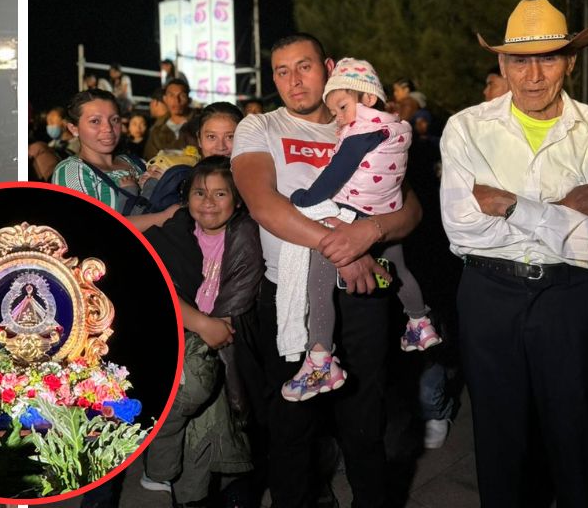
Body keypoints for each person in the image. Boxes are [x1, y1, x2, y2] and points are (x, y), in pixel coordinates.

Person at [439, 0, 588, 507]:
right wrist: (566, 207)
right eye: (520, 60)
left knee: (578, 442)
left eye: (548, 58)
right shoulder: (466, 128)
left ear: (570, 62)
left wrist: (509, 205)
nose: (534, 75)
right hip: (488, 295)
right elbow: (462, 229)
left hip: (573, 297)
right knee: (500, 444)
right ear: (502, 64)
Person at [231, 33, 421, 507]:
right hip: (290, 296)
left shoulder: (366, 123)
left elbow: (410, 210)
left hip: (362, 295)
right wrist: (346, 248)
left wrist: (368, 235)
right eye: (281, 71)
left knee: (365, 422)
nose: (294, 81)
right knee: (292, 429)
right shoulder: (259, 127)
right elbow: (264, 205)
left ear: (330, 66)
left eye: (305, 66)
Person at [282, 58, 440, 401]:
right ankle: (419, 322)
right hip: (386, 210)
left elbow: (334, 175)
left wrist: (304, 197)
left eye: (341, 106)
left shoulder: (360, 134)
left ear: (367, 100)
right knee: (399, 269)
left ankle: (321, 360)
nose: (338, 116)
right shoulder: (397, 129)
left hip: (352, 211)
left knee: (318, 285)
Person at [140, 157, 262, 505]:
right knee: (192, 397)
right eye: (199, 193)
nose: (208, 203)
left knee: (203, 435)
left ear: (237, 200)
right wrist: (196, 322)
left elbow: (239, 295)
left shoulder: (245, 235)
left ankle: (182, 488)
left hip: (225, 341)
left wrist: (210, 326)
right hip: (181, 334)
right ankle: (163, 467)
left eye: (220, 194)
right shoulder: (176, 232)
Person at [51, 89, 178, 231]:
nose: (108, 128)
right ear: (74, 129)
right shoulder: (72, 170)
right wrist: (166, 216)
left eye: (114, 120)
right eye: (95, 121)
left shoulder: (136, 162)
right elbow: (91, 229)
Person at [144, 78, 194, 159]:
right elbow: (150, 159)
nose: (176, 100)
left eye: (182, 95)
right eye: (171, 95)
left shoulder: (200, 125)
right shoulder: (157, 130)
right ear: (165, 99)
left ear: (188, 99)